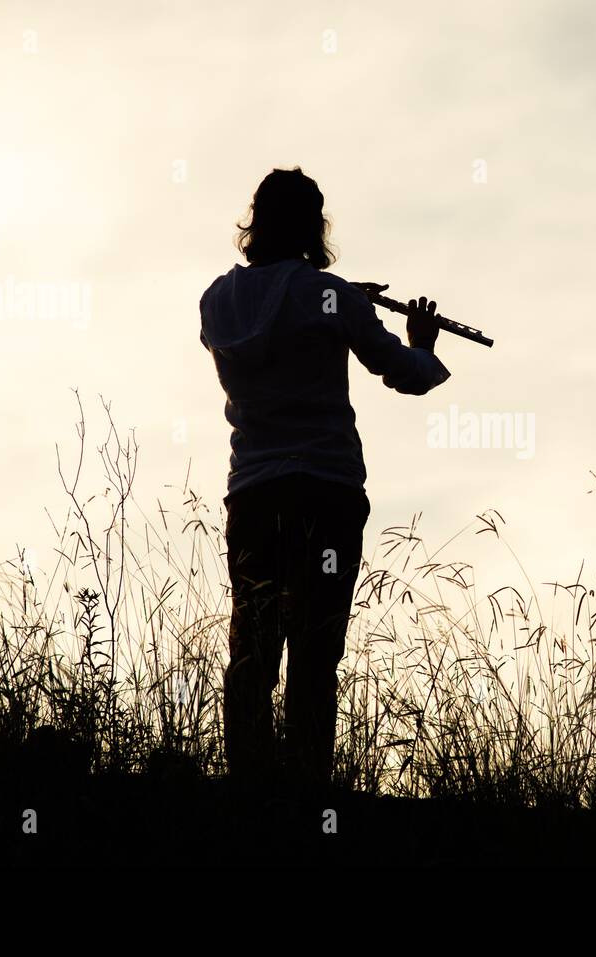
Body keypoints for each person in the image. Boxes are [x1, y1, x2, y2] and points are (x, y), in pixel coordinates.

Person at [200, 167, 450, 793]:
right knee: (316, 649)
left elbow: (283, 311)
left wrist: (336, 297)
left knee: (253, 649)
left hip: (253, 492)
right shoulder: (330, 294)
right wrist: (417, 338)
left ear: (255, 222)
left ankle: (248, 791)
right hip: (325, 492)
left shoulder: (217, 302)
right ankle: (307, 794)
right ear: (314, 227)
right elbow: (408, 373)